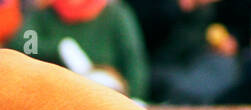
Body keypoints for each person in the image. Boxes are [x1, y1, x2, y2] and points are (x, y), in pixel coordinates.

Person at [9, 0, 150, 100]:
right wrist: (58, 48)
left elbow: (133, 59)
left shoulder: (116, 15)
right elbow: (24, 46)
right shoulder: (44, 15)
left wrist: (135, 96)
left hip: (107, 95)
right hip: (55, 94)